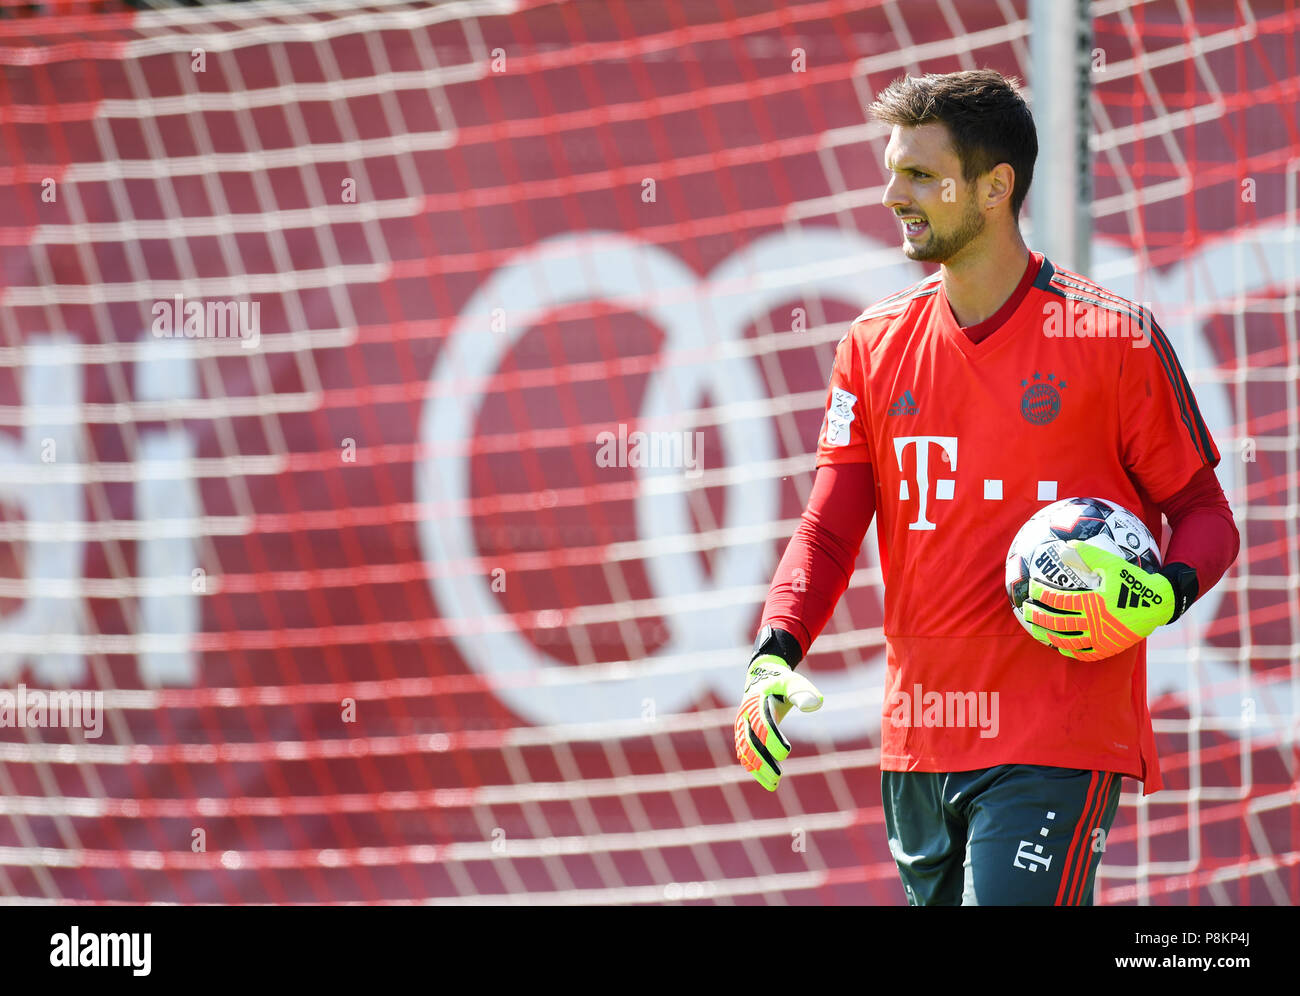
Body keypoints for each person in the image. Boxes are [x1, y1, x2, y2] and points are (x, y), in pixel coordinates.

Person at [732, 70, 1240, 906]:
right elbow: (827, 531)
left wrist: (1162, 594)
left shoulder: (1113, 339)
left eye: (922, 176)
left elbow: (1203, 515)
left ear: (997, 187)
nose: (894, 193)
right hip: (919, 748)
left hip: (1057, 739)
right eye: (893, 170)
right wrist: (773, 652)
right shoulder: (872, 345)